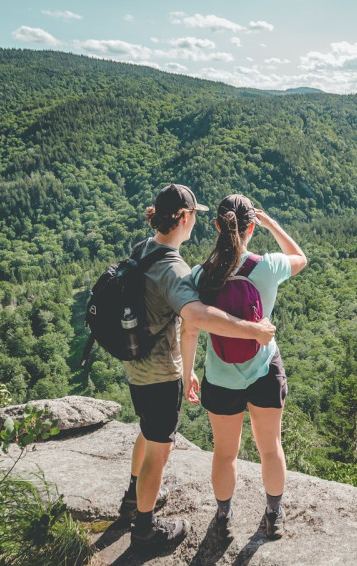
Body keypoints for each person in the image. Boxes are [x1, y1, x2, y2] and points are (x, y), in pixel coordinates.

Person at [120, 184, 277, 553]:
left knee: (147, 432)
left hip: (135, 363)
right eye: (195, 215)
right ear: (186, 218)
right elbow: (196, 316)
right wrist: (253, 330)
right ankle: (145, 529)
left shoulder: (144, 247)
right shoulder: (174, 269)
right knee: (160, 450)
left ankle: (133, 496)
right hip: (160, 371)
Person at [180, 194, 307, 541]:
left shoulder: (199, 276)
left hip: (220, 376)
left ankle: (223, 517)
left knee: (224, 453)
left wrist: (188, 372)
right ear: (251, 227)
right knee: (270, 447)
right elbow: (301, 258)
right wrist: (273, 225)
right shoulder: (267, 267)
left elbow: (189, 327)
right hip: (264, 369)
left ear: (218, 226)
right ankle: (274, 514)